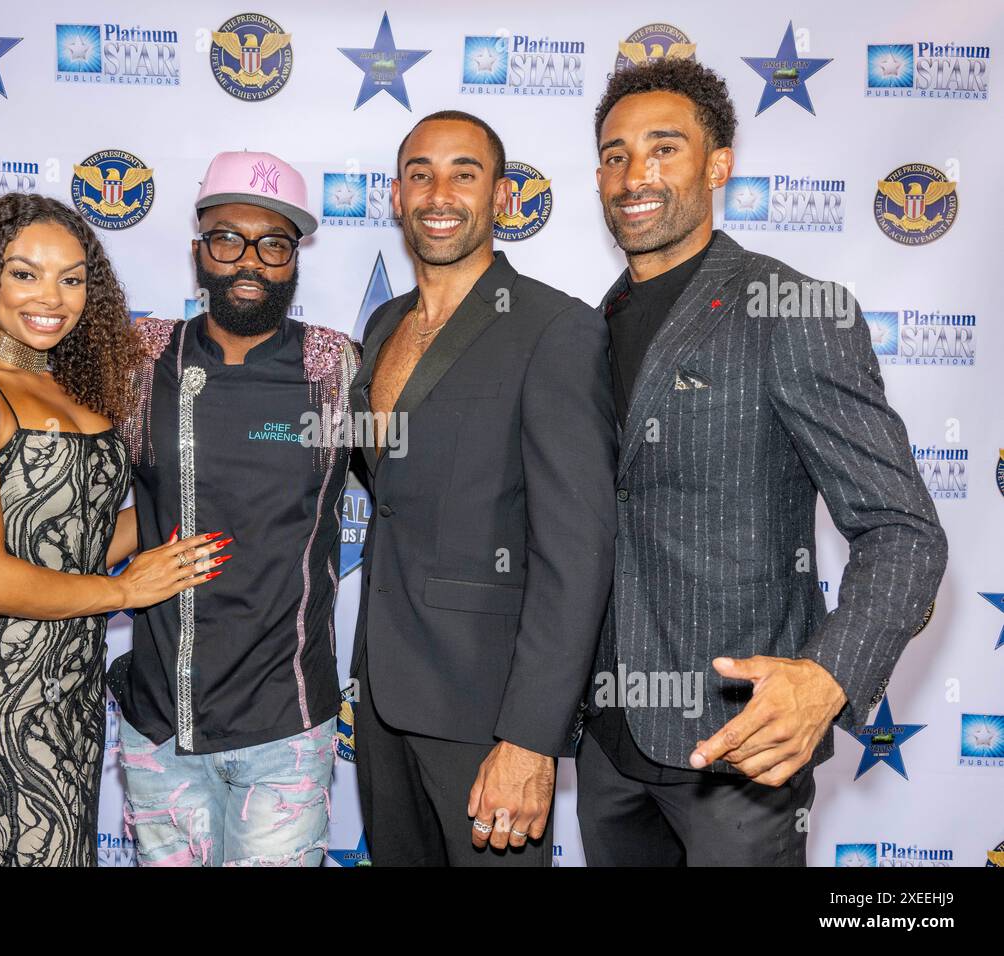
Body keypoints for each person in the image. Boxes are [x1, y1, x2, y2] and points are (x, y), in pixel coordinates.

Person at [577, 57, 948, 866]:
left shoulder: (790, 312)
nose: (634, 174)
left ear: (719, 165)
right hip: (605, 744)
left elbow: (904, 532)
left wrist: (826, 679)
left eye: (664, 148)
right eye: (614, 154)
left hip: (739, 750)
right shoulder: (588, 329)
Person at [0, 193, 226, 866]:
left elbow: (76, 541)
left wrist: (192, 514)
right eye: (25, 273)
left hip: (72, 690)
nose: (53, 296)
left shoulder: (81, 388)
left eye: (73, 278)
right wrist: (126, 593)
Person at [350, 111, 617, 866]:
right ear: (396, 195)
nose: (440, 192)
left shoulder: (554, 327)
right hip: (382, 697)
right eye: (420, 173)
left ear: (501, 195)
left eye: (464, 173)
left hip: (488, 710)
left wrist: (531, 738)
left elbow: (579, 549)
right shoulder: (383, 324)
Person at [105, 150, 358, 866]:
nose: (250, 259)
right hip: (160, 727)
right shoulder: (140, 359)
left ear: (295, 259)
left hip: (286, 726)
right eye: (227, 238)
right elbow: (69, 491)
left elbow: (425, 497)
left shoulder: (336, 369)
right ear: (198, 254)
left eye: (273, 243)